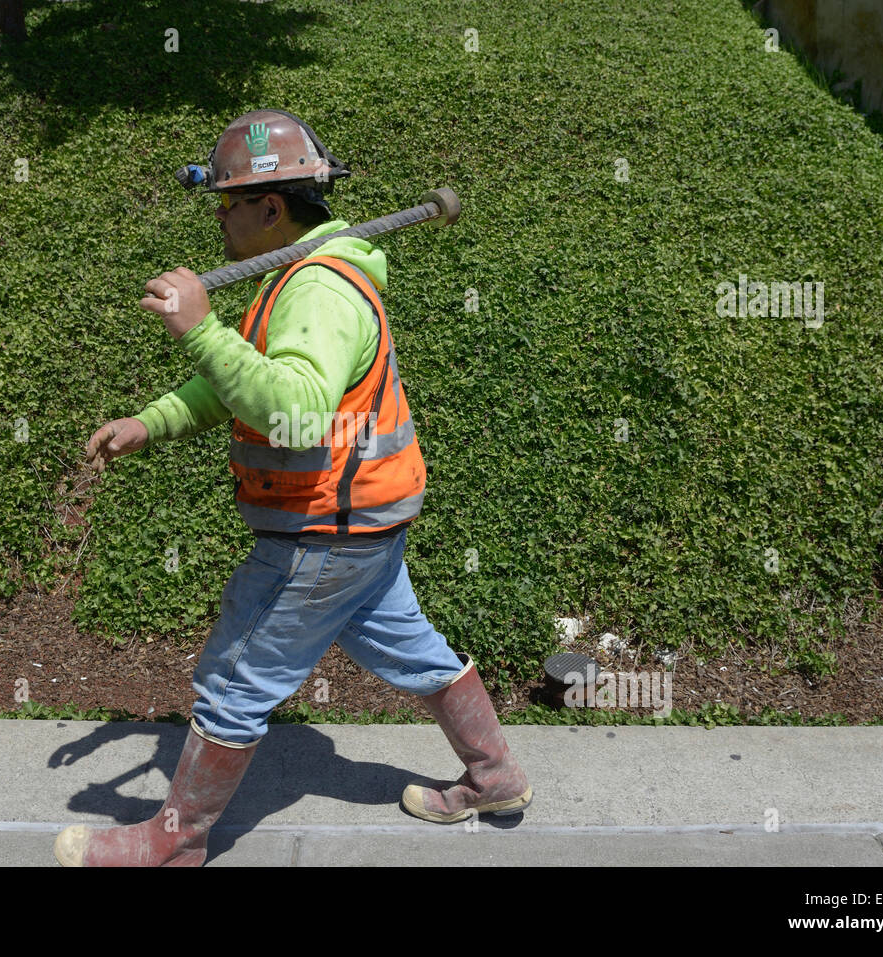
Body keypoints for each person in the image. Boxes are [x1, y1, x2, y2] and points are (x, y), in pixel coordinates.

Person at [55, 110, 531, 867]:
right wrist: (152, 421)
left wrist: (201, 330)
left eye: (224, 203)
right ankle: (495, 774)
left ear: (269, 208)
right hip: (366, 525)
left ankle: (173, 841)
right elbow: (243, 383)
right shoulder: (300, 277)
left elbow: (294, 413)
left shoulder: (317, 289)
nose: (217, 218)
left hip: (321, 533)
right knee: (415, 650)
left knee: (233, 679)